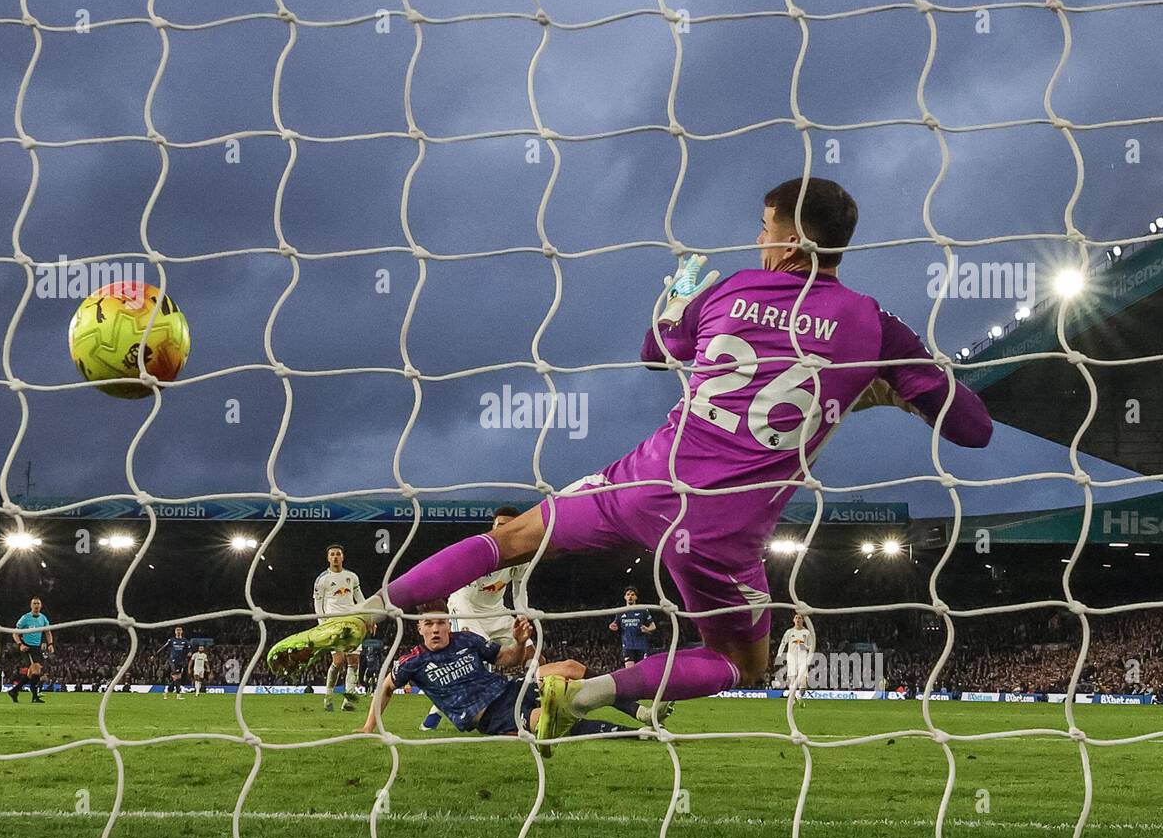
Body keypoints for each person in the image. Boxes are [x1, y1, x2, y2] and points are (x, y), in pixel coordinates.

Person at [270, 177, 992, 744]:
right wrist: (907, 383)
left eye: (766, 229)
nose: (758, 241)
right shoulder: (875, 324)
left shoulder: (730, 290)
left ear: (795, 241)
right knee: (742, 665)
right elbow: (973, 428)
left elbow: (654, 351)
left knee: (514, 536)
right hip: (722, 527)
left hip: (646, 480)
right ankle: (588, 693)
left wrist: (675, 299)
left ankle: (366, 613)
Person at [359, 616, 655, 756]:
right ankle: (638, 734)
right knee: (546, 722)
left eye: (440, 623)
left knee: (571, 668)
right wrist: (369, 728)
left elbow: (507, 659)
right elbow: (385, 688)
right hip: (488, 714)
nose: (435, 629)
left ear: (449, 625)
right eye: (428, 624)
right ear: (419, 628)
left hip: (509, 687)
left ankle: (640, 711)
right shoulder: (413, 660)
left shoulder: (467, 639)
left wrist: (519, 641)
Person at [421, 506, 529, 730]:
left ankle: (538, 698)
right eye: (500, 525)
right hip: (465, 606)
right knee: (476, 659)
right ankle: (445, 711)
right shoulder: (480, 549)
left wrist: (523, 615)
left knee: (530, 650)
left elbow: (520, 590)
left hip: (497, 611)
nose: (504, 530)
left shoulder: (522, 556)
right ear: (493, 527)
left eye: (509, 526)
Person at [313, 543, 364, 712]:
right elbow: (318, 604)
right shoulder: (322, 579)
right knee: (339, 660)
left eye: (338, 554)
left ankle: (348, 700)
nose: (335, 557)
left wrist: (368, 618)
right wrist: (323, 625)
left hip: (352, 623)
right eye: (332, 554)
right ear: (328, 558)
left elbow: (360, 600)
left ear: (343, 557)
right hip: (333, 624)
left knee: (354, 661)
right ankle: (328, 697)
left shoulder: (352, 577)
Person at [9, 597, 54, 704]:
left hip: (37, 648)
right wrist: (20, 644)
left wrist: (50, 644)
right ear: (31, 605)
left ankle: (14, 691)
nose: (36, 605)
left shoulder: (43, 618)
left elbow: (48, 632)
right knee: (36, 670)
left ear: (41, 605)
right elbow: (15, 632)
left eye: (38, 603)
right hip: (27, 648)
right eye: (34, 603)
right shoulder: (25, 618)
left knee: (31, 675)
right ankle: (34, 697)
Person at [609, 586, 657, 668]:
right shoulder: (620, 611)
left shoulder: (643, 610)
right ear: (625, 597)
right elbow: (614, 624)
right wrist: (612, 626)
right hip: (628, 646)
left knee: (642, 671)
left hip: (641, 646)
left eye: (632, 594)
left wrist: (647, 629)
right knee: (630, 671)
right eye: (628, 594)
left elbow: (653, 626)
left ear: (636, 597)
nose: (630, 596)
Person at [777, 612, 815, 697]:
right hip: (791, 658)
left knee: (803, 681)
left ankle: (799, 696)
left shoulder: (807, 633)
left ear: (803, 620)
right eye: (796, 618)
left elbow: (811, 646)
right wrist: (779, 654)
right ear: (793, 620)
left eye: (800, 618)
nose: (798, 619)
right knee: (792, 680)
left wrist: (804, 646)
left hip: (803, 658)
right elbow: (783, 643)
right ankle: (793, 698)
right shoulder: (789, 632)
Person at [155, 626, 191, 700]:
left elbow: (189, 649)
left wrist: (189, 653)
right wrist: (155, 655)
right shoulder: (171, 640)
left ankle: (166, 692)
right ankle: (178, 695)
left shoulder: (185, 641)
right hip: (173, 661)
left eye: (179, 630)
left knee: (176, 679)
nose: (178, 631)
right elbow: (163, 648)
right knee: (176, 677)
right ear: (175, 632)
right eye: (177, 630)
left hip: (181, 661)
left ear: (182, 631)